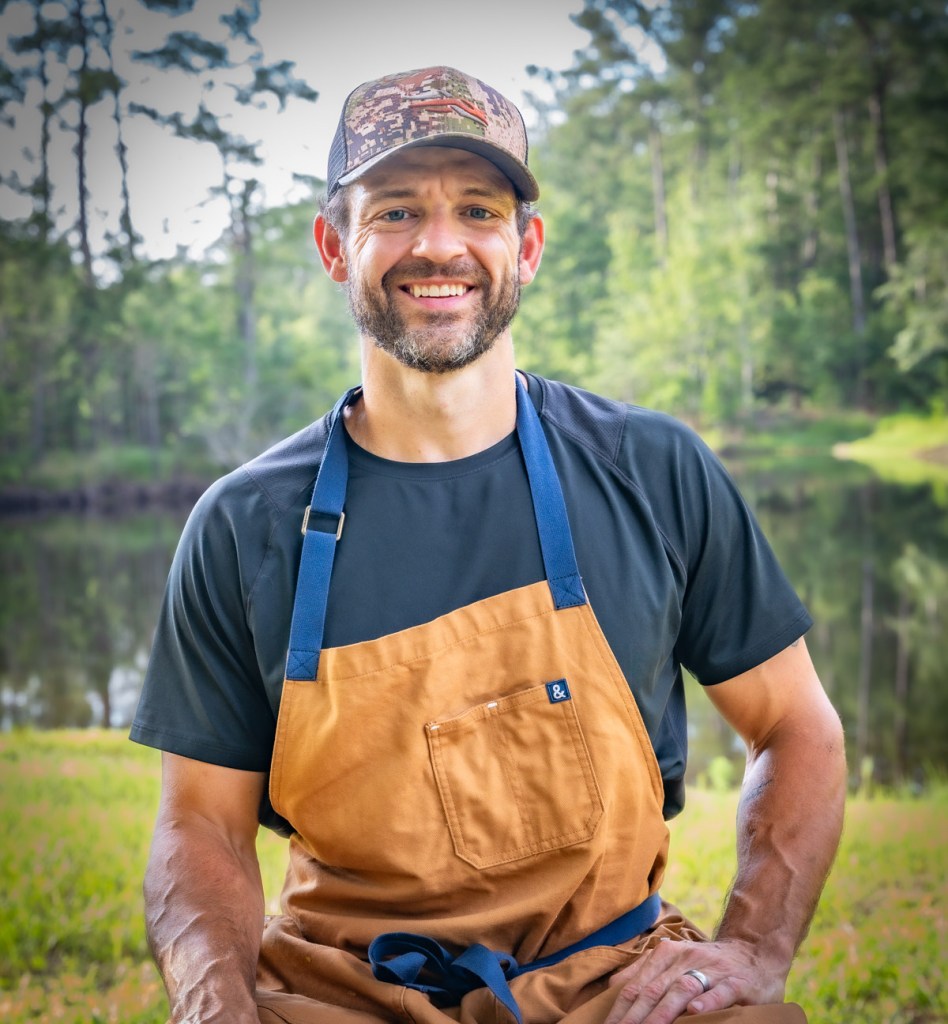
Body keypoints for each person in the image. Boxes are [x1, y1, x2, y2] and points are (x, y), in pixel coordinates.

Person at [131, 66, 846, 1024]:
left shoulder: (652, 468)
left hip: (613, 985)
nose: (439, 245)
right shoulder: (242, 525)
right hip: (340, 991)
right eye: (393, 211)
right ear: (334, 246)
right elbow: (202, 824)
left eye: (477, 208)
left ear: (528, 245)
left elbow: (798, 726)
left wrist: (754, 948)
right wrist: (215, 1006)